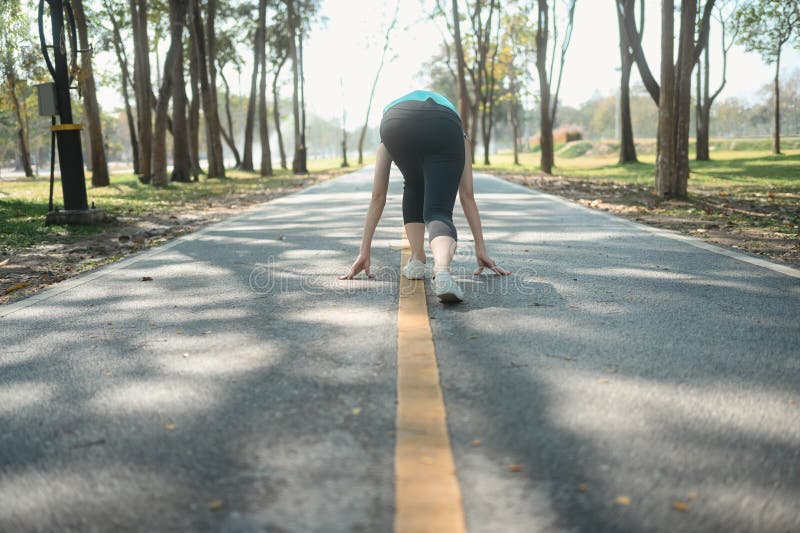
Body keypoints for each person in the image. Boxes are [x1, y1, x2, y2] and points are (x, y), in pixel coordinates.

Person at [338, 89, 510, 303]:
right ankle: (443, 272)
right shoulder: (457, 128)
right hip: (444, 124)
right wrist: (480, 248)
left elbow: (378, 196)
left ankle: (418, 259)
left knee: (413, 182)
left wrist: (364, 251)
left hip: (395, 121)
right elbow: (466, 195)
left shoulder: (394, 117)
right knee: (438, 209)